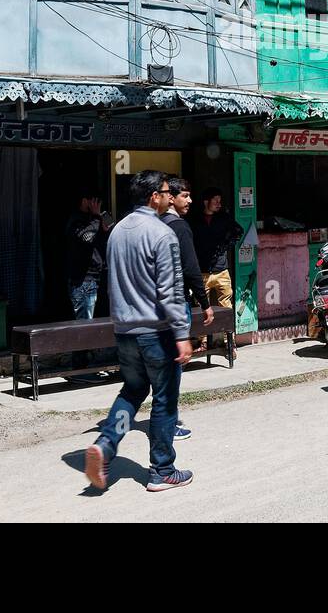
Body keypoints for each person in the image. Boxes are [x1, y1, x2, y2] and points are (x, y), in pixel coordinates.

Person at [84, 170, 193, 493]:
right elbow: (171, 290)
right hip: (156, 332)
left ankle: (105, 445)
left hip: (124, 331)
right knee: (164, 400)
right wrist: (182, 333)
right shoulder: (161, 234)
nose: (169, 196)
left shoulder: (116, 232)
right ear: (153, 197)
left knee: (132, 391)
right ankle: (162, 469)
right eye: (164, 192)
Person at [160, 175, 212, 440]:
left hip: (155, 305)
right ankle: (170, 422)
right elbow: (191, 268)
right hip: (176, 302)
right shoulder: (178, 227)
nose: (190, 201)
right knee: (175, 364)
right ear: (171, 197)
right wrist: (205, 304)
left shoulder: (155, 224)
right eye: (185, 196)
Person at [190, 188, 243, 318]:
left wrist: (225, 246)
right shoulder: (194, 219)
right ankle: (203, 337)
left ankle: (227, 335)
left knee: (226, 304)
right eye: (216, 201)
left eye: (220, 201)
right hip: (202, 270)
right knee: (201, 306)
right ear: (206, 202)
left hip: (221, 270)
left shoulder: (223, 217)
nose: (219, 204)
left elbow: (238, 231)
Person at [65, 189, 111, 321]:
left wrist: (102, 214)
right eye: (94, 201)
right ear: (85, 201)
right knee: (85, 324)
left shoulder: (98, 216)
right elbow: (88, 237)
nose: (96, 204)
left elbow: (113, 227)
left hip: (99, 277)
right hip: (83, 280)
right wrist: (97, 218)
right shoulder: (76, 220)